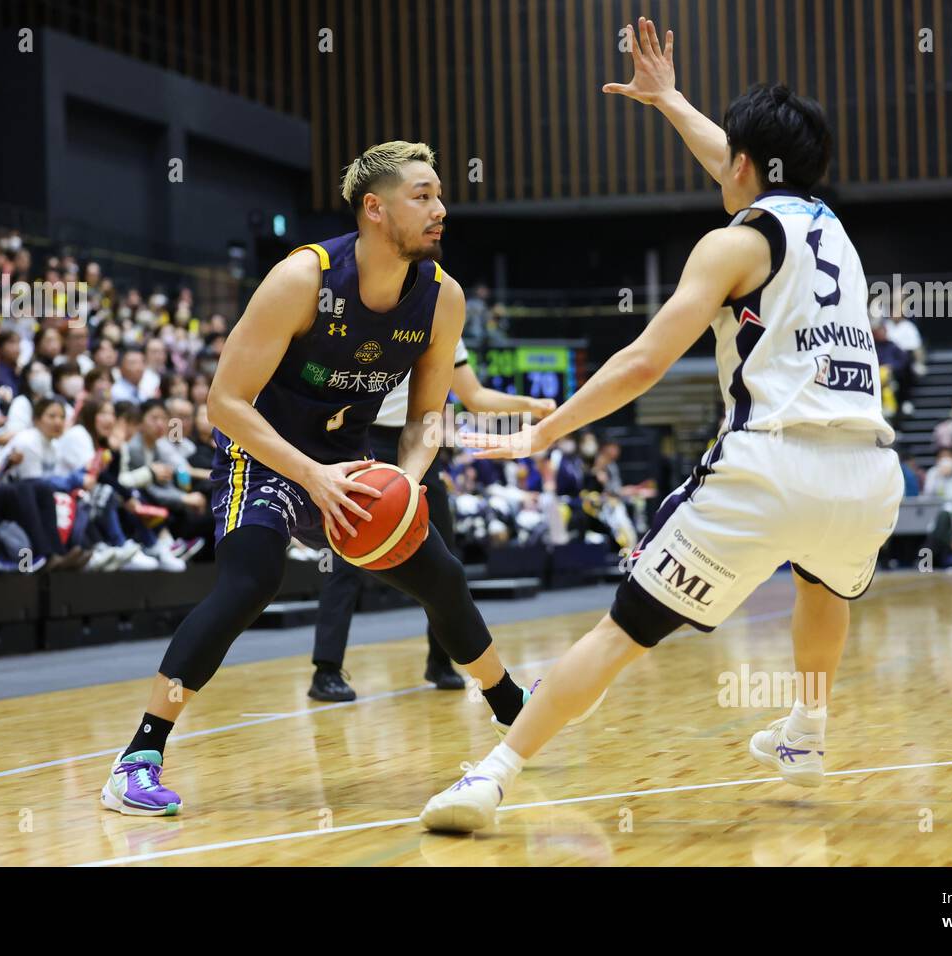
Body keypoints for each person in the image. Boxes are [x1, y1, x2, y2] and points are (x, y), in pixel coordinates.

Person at [420, 19, 903, 832]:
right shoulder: (834, 231)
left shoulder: (732, 243)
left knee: (624, 630)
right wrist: (671, 99)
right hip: (868, 477)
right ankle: (808, 730)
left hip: (769, 468)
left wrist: (545, 433)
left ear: (745, 169)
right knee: (824, 585)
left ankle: (492, 776)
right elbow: (739, 161)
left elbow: (644, 362)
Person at [101, 141, 546, 816]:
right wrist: (311, 476)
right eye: (421, 196)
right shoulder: (302, 279)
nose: (440, 210)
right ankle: (138, 755)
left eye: (439, 194)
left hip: (354, 461)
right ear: (375, 208)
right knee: (252, 580)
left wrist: (409, 482)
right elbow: (224, 402)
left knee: (443, 577)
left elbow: (428, 417)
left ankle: (512, 710)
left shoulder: (440, 297)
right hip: (270, 455)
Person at [308, 338, 556, 701]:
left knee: (442, 558)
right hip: (363, 438)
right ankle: (326, 670)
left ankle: (441, 661)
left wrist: (530, 405)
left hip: (421, 440)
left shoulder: (444, 323)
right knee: (349, 555)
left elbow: (474, 396)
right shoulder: (373, 315)